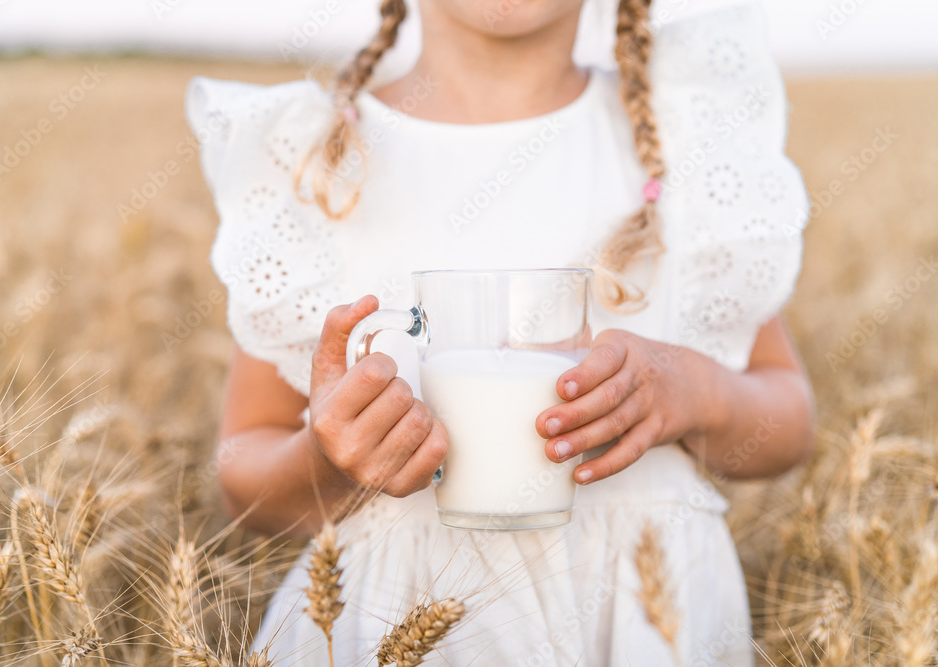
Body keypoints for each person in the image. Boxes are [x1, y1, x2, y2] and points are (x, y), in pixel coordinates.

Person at [185, 0, 816, 663]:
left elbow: (790, 422)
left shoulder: (688, 130)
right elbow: (242, 475)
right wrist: (329, 460)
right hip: (396, 623)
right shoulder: (311, 160)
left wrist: (700, 391)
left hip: (648, 616)